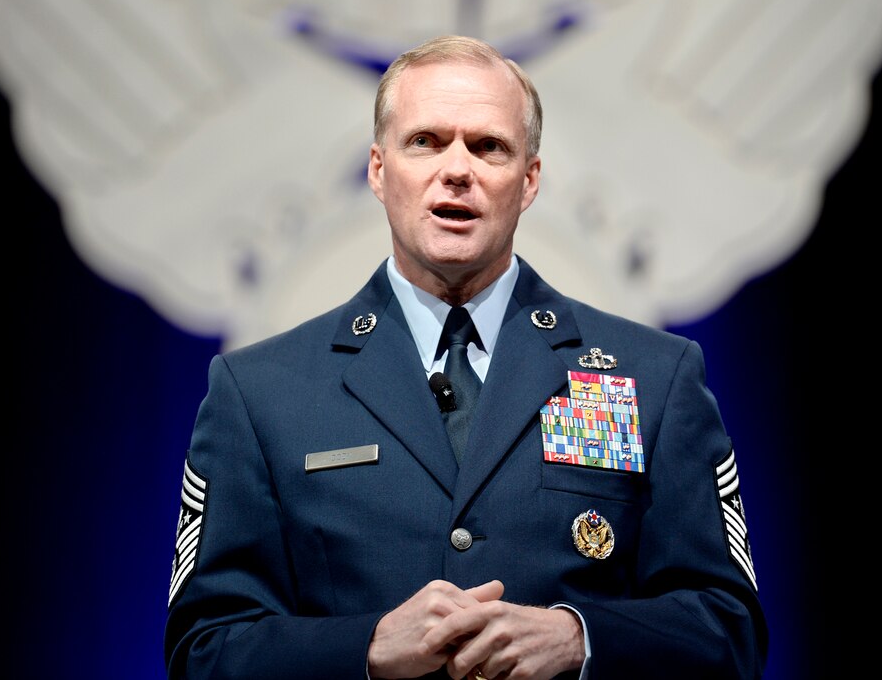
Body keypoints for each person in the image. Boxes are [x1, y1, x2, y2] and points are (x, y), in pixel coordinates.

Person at [164, 34, 767, 679]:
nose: (457, 169)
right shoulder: (259, 392)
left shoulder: (656, 377)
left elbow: (728, 629)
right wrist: (366, 648)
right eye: (425, 141)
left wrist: (580, 638)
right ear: (378, 170)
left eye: (489, 147)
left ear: (529, 180)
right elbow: (203, 650)